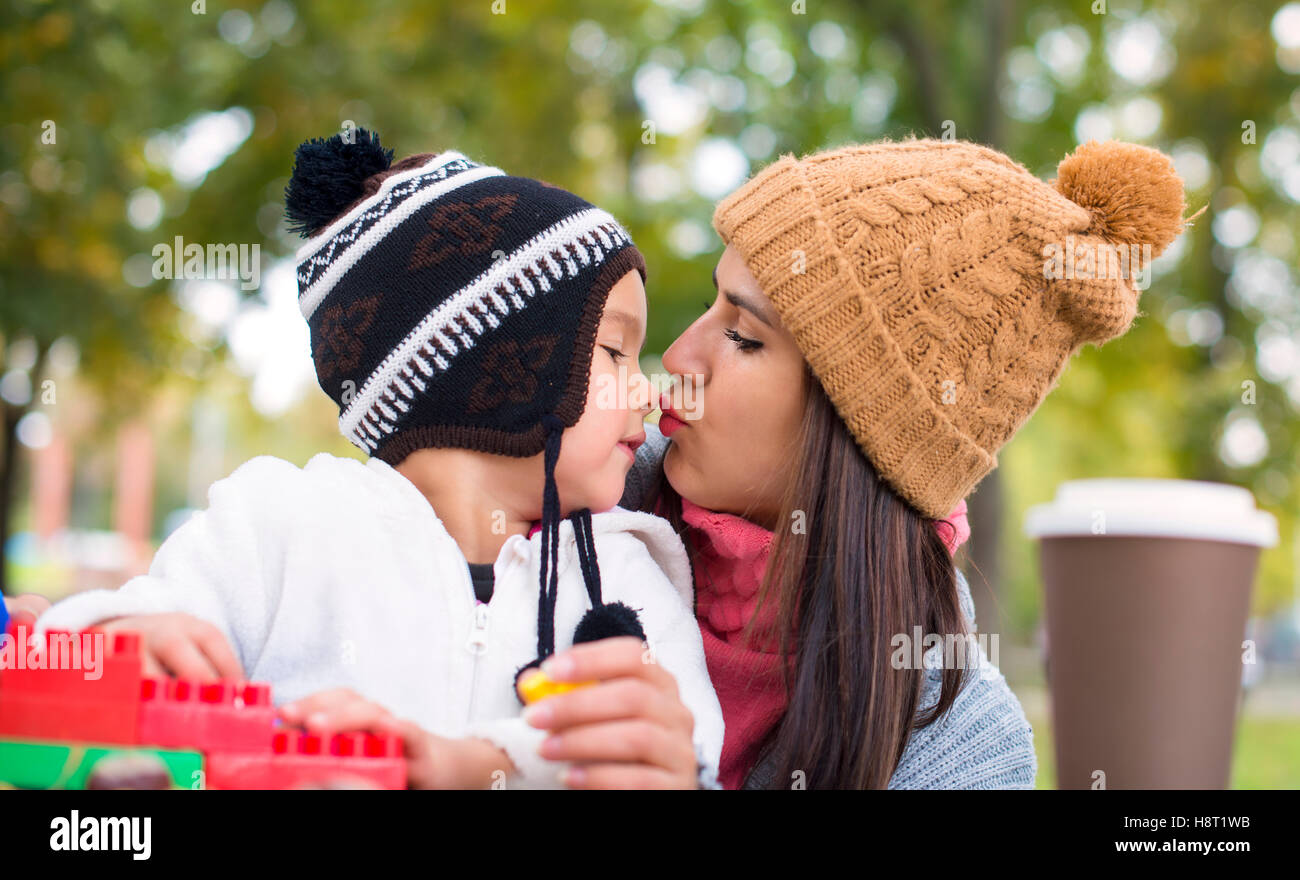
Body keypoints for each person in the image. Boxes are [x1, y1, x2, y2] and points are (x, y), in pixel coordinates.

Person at [29, 130, 724, 790]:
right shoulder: (283, 523)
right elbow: (87, 640)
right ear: (500, 366)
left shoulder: (629, 577)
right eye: (612, 351)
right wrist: (122, 642)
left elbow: (688, 759)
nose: (647, 388)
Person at [524, 137, 1194, 788]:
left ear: (854, 432)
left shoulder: (962, 752)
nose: (676, 357)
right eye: (711, 303)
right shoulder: (578, 485)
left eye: (741, 336)